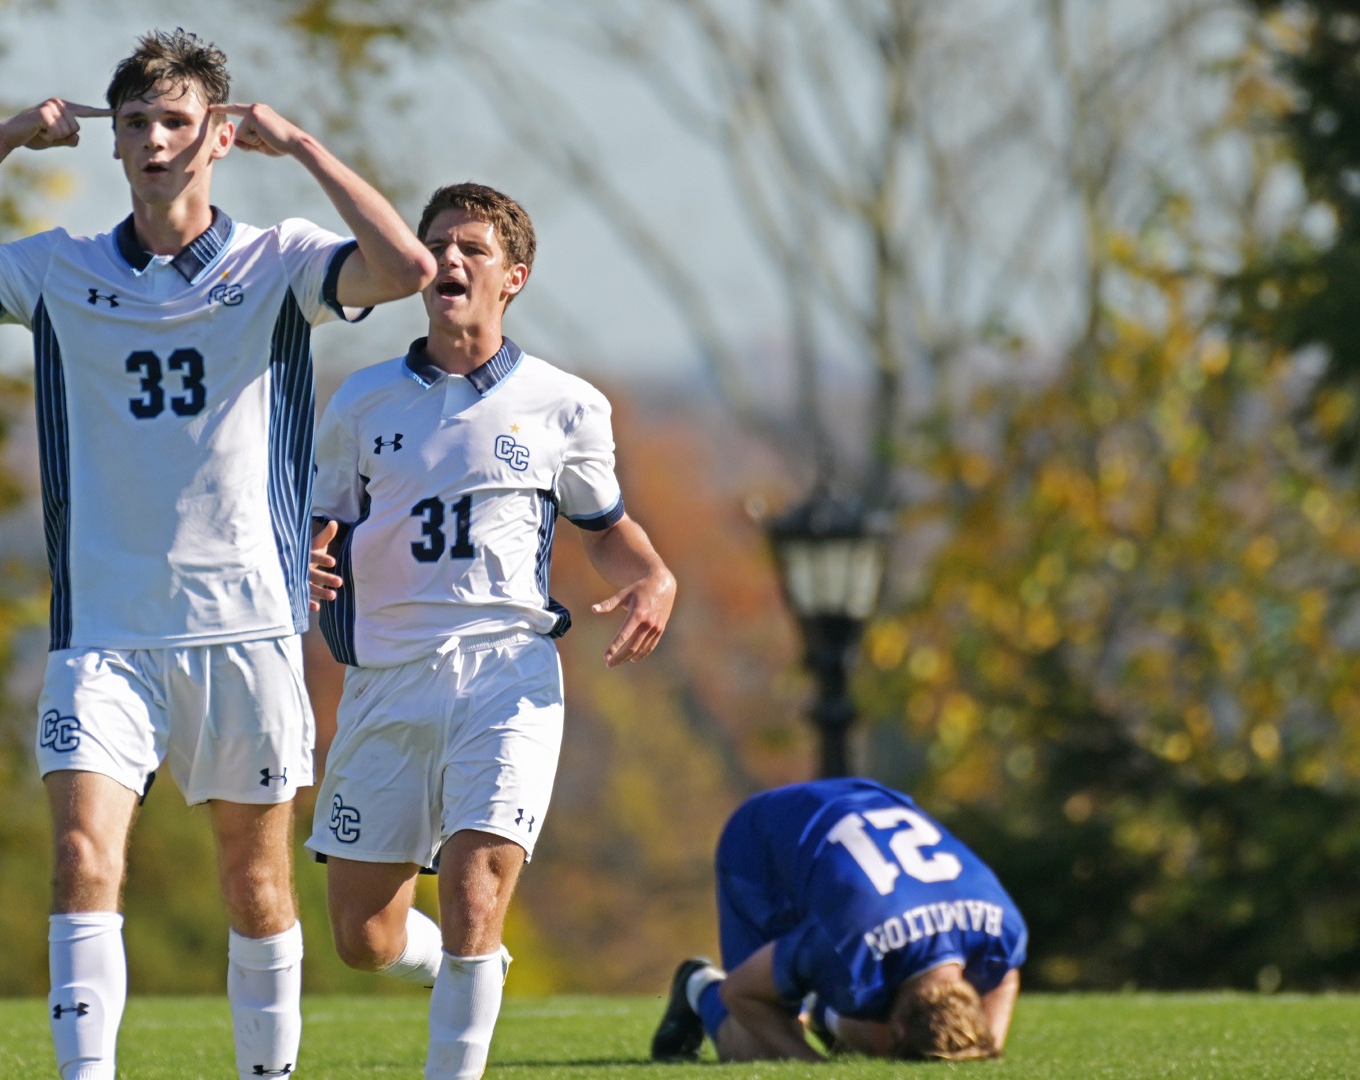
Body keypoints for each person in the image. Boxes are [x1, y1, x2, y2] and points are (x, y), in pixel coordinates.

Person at [0, 29, 435, 1080]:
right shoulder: (59, 268)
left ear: (217, 134)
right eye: (136, 122)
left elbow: (406, 268)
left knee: (254, 886)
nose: (156, 140)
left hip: (248, 627)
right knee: (82, 859)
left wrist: (302, 144)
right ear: (113, 140)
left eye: (177, 121)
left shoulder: (279, 261)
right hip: (106, 636)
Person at [304, 182, 678, 1080]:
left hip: (506, 677)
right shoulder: (361, 401)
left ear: (514, 276)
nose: (451, 260)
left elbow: (606, 532)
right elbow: (316, 527)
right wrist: (303, 561)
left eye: (472, 247)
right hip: (387, 680)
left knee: (477, 890)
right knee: (363, 937)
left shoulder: (567, 405)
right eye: (438, 245)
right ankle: (467, 973)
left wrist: (653, 578)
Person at [651, 778, 1026, 1063]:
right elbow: (742, 993)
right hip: (764, 838)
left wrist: (987, 1044)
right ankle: (698, 987)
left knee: (858, 1002)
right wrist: (809, 1064)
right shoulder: (849, 947)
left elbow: (1006, 976)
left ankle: (824, 1011)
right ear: (895, 1024)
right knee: (756, 1043)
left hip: (864, 800)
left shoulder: (1003, 932)